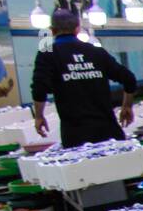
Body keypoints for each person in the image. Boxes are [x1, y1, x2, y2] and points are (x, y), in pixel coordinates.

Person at [32, 9, 136, 147]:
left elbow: (39, 88)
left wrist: (39, 116)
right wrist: (127, 106)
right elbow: (129, 79)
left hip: (76, 137)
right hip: (109, 133)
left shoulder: (47, 54)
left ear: (52, 30)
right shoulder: (96, 51)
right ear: (78, 28)